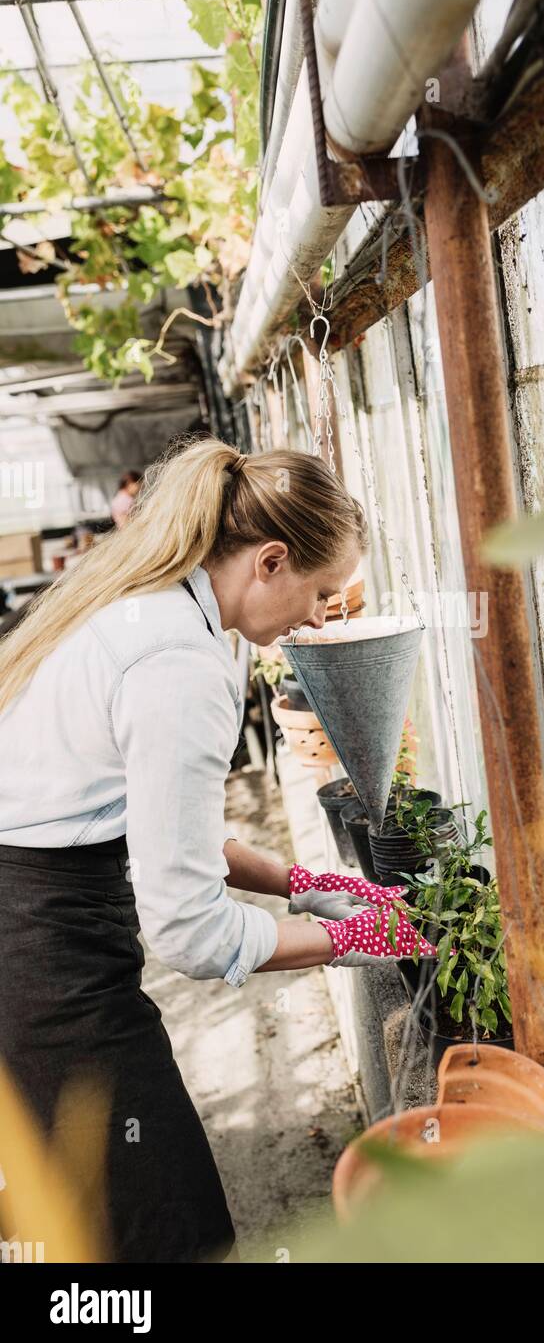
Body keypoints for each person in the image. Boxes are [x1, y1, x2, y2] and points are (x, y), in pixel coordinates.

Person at [0, 437, 436, 1264]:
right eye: (318, 594)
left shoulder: (159, 605)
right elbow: (192, 936)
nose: (315, 618)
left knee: (72, 1221)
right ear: (270, 560)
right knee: (159, 1226)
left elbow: (163, 823)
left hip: (29, 917)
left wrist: (301, 883)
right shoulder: (179, 661)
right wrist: (354, 939)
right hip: (36, 962)